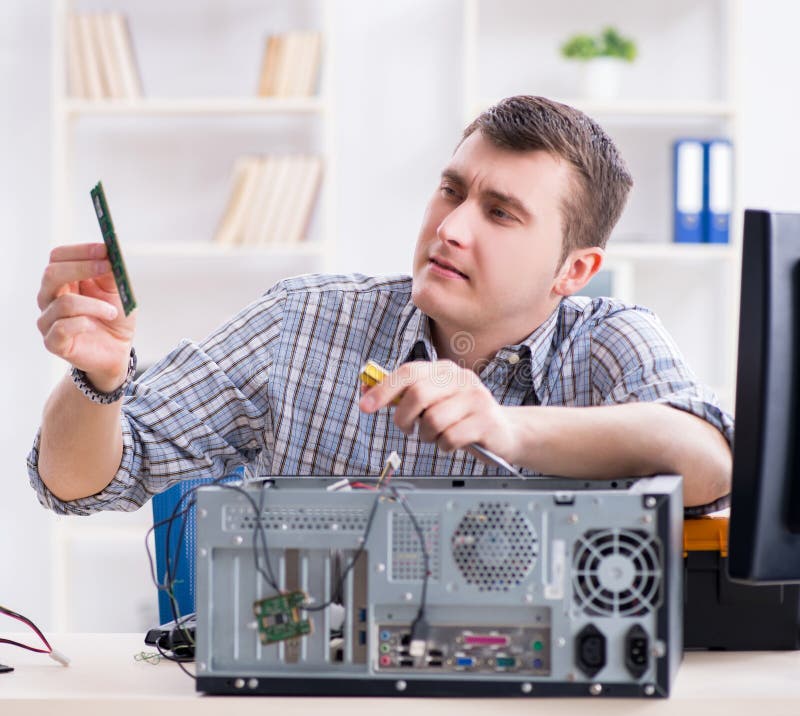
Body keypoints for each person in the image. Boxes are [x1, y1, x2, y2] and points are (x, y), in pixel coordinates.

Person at [28, 95, 733, 516]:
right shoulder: (305, 321)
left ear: (574, 271)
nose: (452, 227)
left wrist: (508, 429)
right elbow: (77, 484)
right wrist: (100, 380)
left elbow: (711, 461)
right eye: (451, 191)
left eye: (501, 213)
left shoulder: (611, 340)